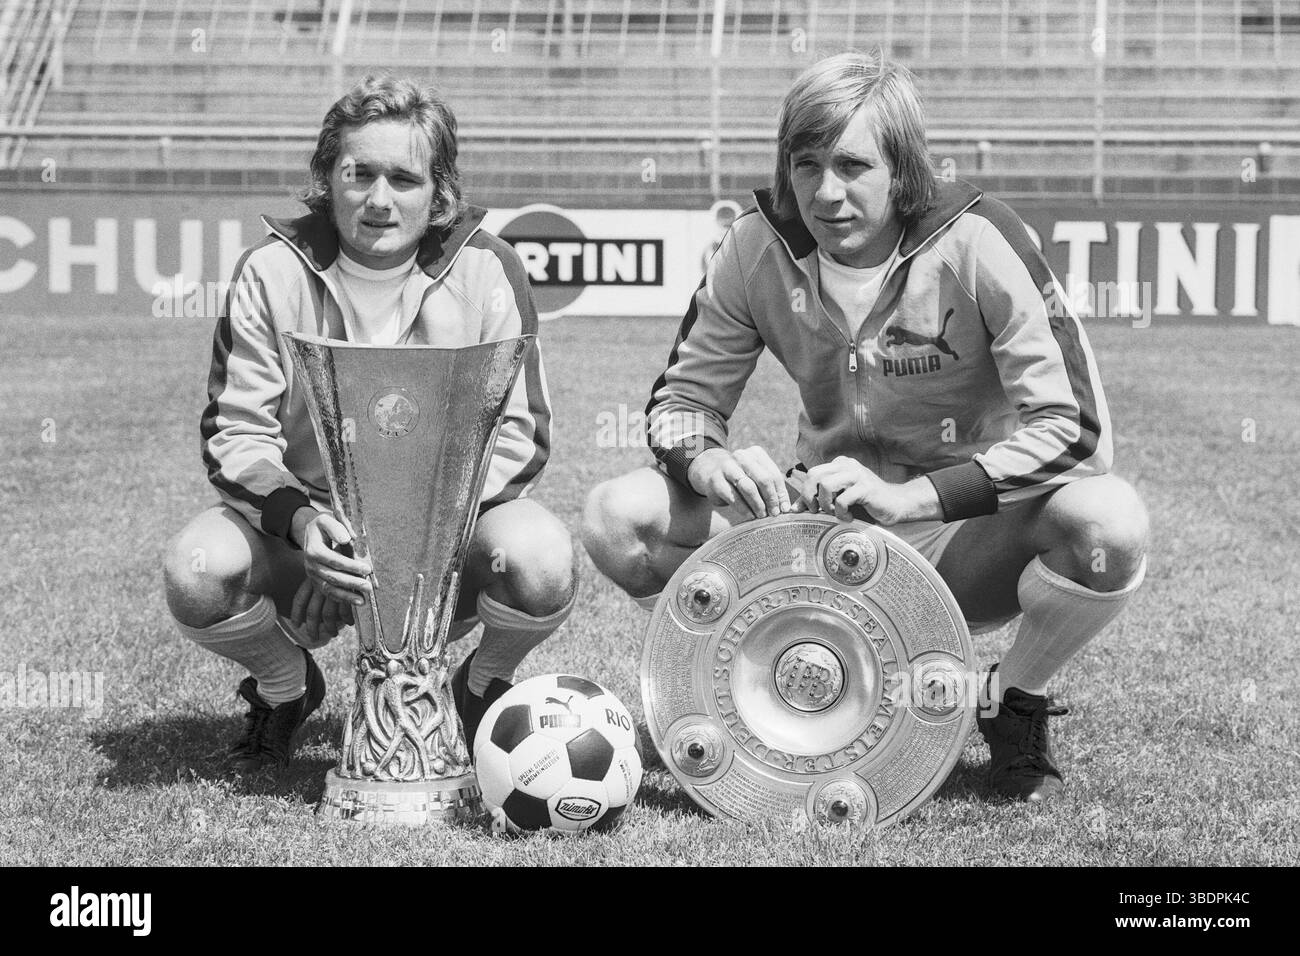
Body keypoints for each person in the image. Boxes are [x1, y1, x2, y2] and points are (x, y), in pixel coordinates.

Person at [582, 52, 1148, 803]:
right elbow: (680, 404)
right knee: (617, 515)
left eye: (852, 166)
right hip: (812, 534)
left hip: (957, 538)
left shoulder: (980, 239)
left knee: (1109, 525)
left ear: (905, 169)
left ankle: (1009, 702)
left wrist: (918, 499)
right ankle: (743, 677)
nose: (825, 192)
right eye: (805, 163)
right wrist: (704, 463)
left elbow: (1077, 431)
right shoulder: (755, 243)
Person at [163, 75, 576, 773]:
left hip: (442, 538)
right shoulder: (271, 270)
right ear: (328, 177)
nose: (379, 199)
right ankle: (285, 687)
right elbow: (236, 432)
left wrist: (395, 543)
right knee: (197, 570)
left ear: (438, 190)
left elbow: (519, 433)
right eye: (359, 173)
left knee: (541, 558)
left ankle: (478, 689)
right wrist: (303, 524)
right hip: (310, 541)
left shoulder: (489, 267)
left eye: (404, 178)